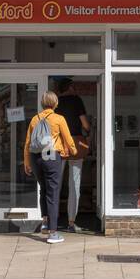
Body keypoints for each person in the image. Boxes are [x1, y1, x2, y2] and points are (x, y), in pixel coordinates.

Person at [23, 90, 77, 244]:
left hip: (35, 157)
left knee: (44, 189)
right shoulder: (58, 119)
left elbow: (27, 143)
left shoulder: (34, 119)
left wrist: (27, 162)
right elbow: (68, 139)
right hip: (51, 155)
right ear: (55, 103)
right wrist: (73, 151)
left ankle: (46, 224)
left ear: (42, 103)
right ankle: (53, 233)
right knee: (53, 192)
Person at [54, 79, 91, 233]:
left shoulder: (56, 103)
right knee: (74, 183)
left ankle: (51, 220)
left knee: (55, 183)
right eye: (74, 86)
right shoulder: (76, 101)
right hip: (75, 144)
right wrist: (89, 132)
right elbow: (85, 125)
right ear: (69, 87)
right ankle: (71, 222)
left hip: (59, 145)